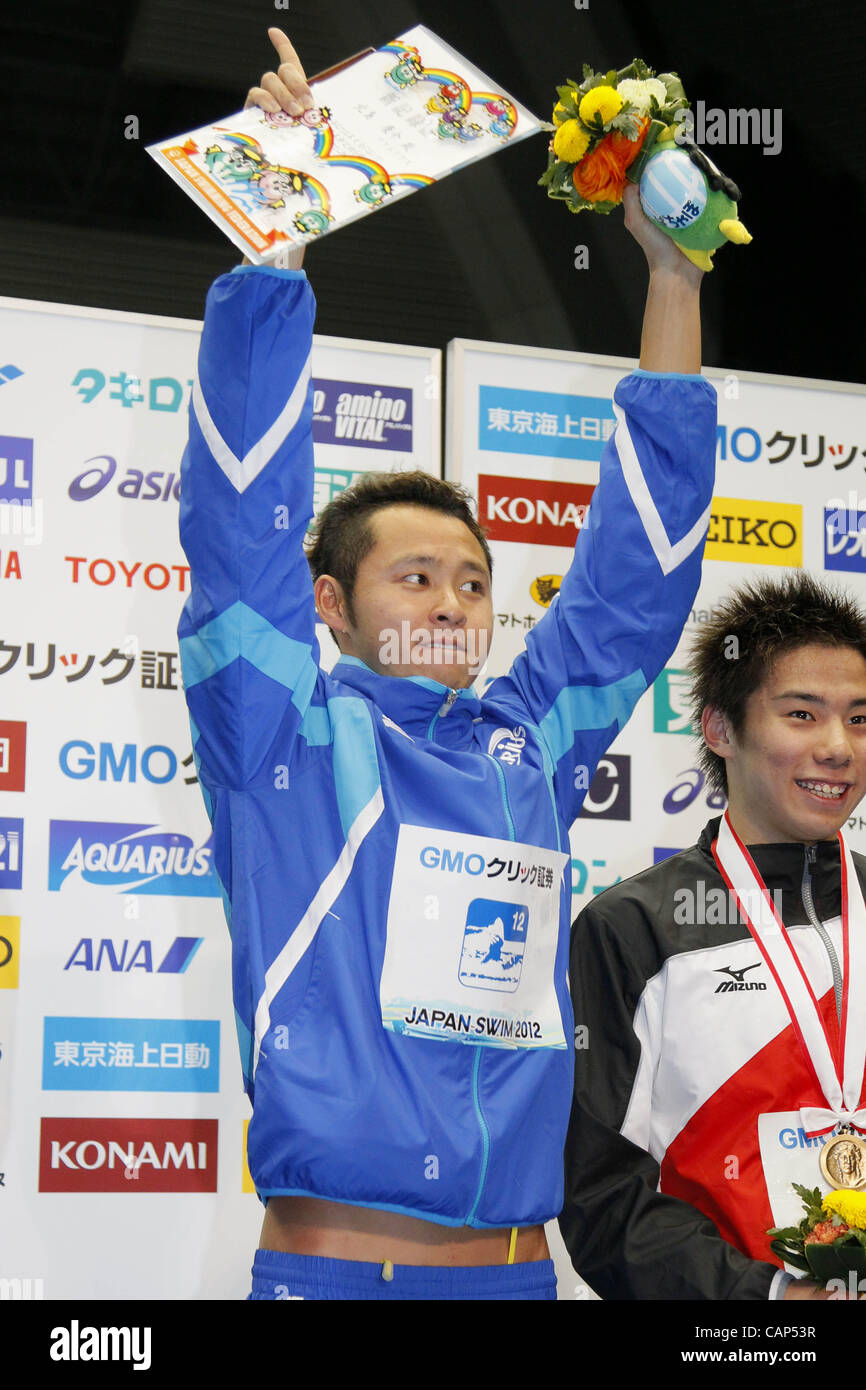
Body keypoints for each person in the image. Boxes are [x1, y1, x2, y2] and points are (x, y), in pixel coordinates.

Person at [178, 27, 716, 1300]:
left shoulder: (530, 736)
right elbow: (236, 514)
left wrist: (673, 277)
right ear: (329, 602)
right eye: (413, 576)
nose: (453, 601)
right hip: (334, 1277)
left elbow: (634, 583)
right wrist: (281, 211)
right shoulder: (276, 728)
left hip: (517, 1281)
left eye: (474, 582)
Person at [559, 572, 866, 1300]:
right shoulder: (634, 928)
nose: (838, 747)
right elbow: (600, 1199)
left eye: (860, 718)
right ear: (720, 728)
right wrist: (770, 1300)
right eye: (801, 713)